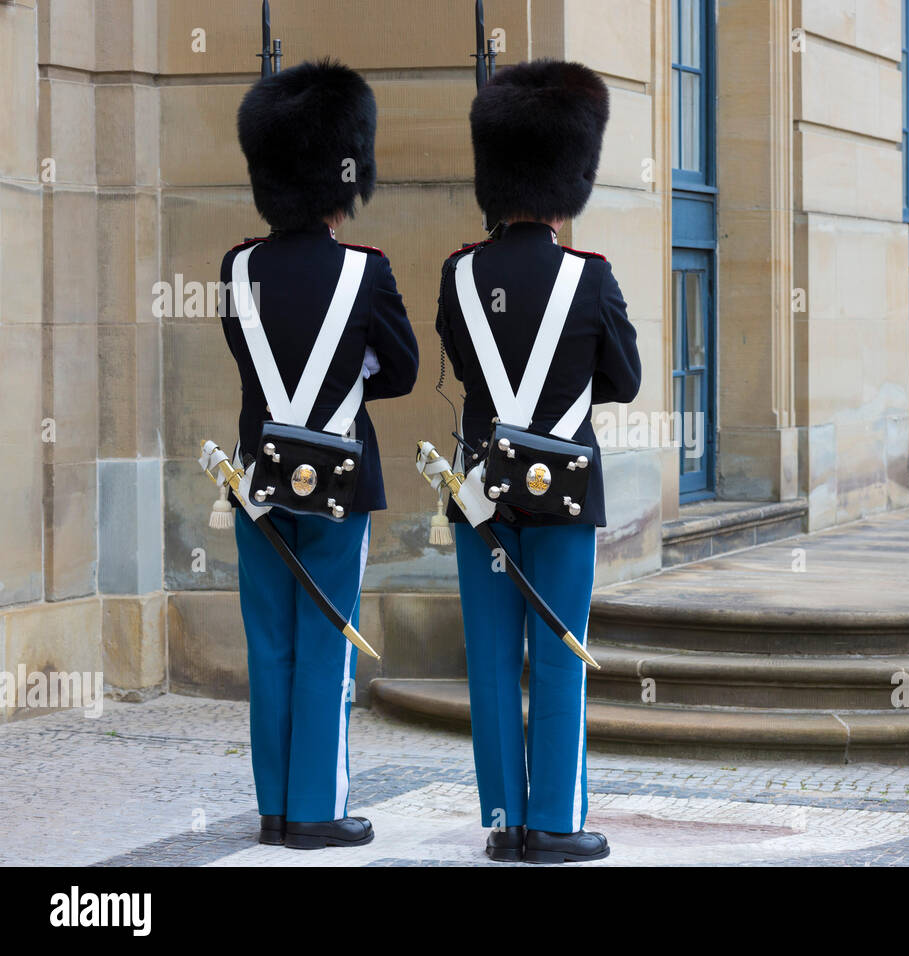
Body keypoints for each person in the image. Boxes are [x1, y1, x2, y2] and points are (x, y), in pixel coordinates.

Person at [435, 59, 641, 863]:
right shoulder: (589, 280)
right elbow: (623, 381)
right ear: (568, 179)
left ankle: (504, 823)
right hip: (562, 497)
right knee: (559, 653)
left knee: (491, 663)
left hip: (482, 494)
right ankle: (556, 825)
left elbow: (458, 361)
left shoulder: (458, 274)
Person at [219, 60, 419, 848]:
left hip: (257, 479)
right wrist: (348, 371)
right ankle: (317, 810)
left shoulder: (237, 268)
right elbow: (400, 371)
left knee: (269, 644)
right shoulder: (364, 272)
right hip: (338, 475)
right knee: (326, 642)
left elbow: (245, 348)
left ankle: (274, 807)